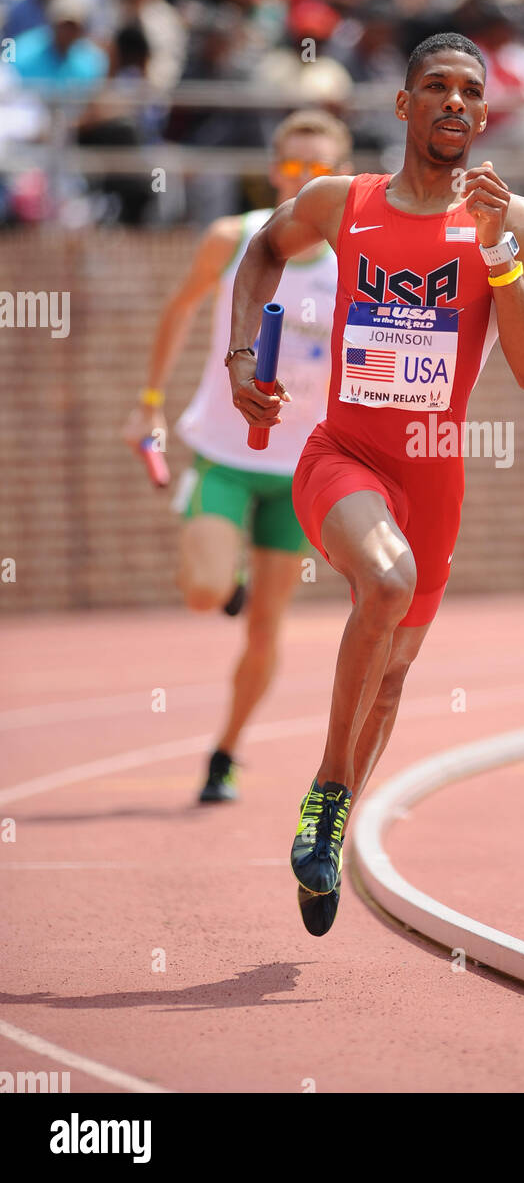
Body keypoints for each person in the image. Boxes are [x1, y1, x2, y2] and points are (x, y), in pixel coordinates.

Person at [227, 32, 524, 936]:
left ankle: (321, 830)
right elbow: (263, 249)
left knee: (392, 677)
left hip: (436, 478)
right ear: (405, 107)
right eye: (436, 88)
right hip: (345, 455)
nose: (455, 102)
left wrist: (497, 258)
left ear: (484, 115)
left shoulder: (512, 221)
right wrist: (241, 355)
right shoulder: (345, 202)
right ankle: (331, 795)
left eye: (471, 92)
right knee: (384, 580)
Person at [121, 110, 352, 802]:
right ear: (273, 169)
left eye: (320, 170)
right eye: (292, 167)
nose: (304, 179)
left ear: (339, 177)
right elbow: (181, 307)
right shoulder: (234, 238)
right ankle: (227, 580)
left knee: (266, 627)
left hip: (298, 468)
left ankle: (225, 752)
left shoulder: (353, 263)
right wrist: (150, 400)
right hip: (225, 453)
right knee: (203, 592)